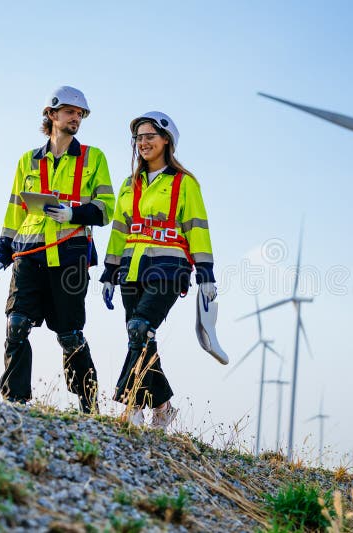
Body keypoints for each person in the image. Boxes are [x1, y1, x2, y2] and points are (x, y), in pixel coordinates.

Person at [0, 86, 115, 412]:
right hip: (28, 254)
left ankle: (89, 407)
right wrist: (2, 252)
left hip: (71, 255)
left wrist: (74, 213)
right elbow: (15, 209)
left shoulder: (93, 158)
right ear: (51, 114)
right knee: (16, 325)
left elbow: (106, 208)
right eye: (71, 111)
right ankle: (15, 403)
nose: (76, 118)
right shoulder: (27, 161)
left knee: (70, 335)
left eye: (80, 114)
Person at [100, 111, 217, 428]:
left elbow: (198, 228)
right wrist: (109, 273)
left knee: (140, 327)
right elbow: (119, 230)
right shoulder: (130, 184)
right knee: (141, 338)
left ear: (167, 140)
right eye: (139, 137)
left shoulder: (184, 183)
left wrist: (206, 274)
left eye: (150, 136)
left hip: (169, 267)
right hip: (131, 268)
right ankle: (162, 406)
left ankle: (131, 406)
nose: (143, 142)